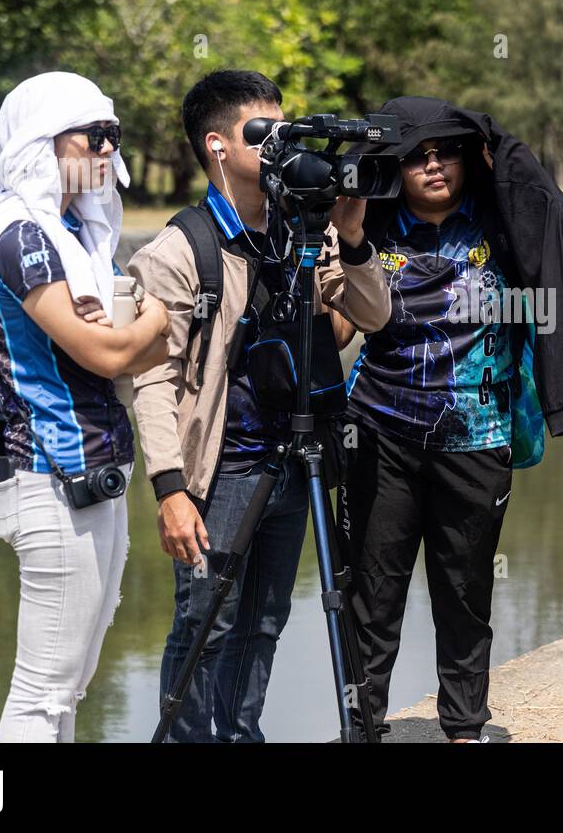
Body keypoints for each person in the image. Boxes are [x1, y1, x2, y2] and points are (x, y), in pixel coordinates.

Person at [127, 69, 391, 742]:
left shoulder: (301, 228)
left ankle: (241, 735)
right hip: (218, 475)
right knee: (203, 625)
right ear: (218, 146)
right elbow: (152, 379)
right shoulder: (180, 249)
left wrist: (353, 239)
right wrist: (169, 488)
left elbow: (374, 312)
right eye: (264, 132)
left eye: (285, 126)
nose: (281, 144)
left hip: (294, 461)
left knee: (263, 625)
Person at [339, 96, 563, 742]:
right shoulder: (369, 225)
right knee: (371, 601)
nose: (433, 166)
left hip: (478, 441)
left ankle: (463, 728)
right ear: (394, 166)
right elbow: (339, 320)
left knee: (465, 594)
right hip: (380, 435)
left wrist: (505, 155)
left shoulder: (501, 223)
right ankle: (361, 727)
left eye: (445, 152)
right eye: (416, 156)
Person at [0, 71, 170, 742]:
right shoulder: (24, 238)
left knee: (72, 682)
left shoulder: (71, 234)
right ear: (42, 143)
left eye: (114, 135)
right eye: (93, 136)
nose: (108, 150)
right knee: (44, 688)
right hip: (51, 476)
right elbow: (107, 356)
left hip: (94, 473)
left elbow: (110, 348)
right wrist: (157, 318)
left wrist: (125, 337)